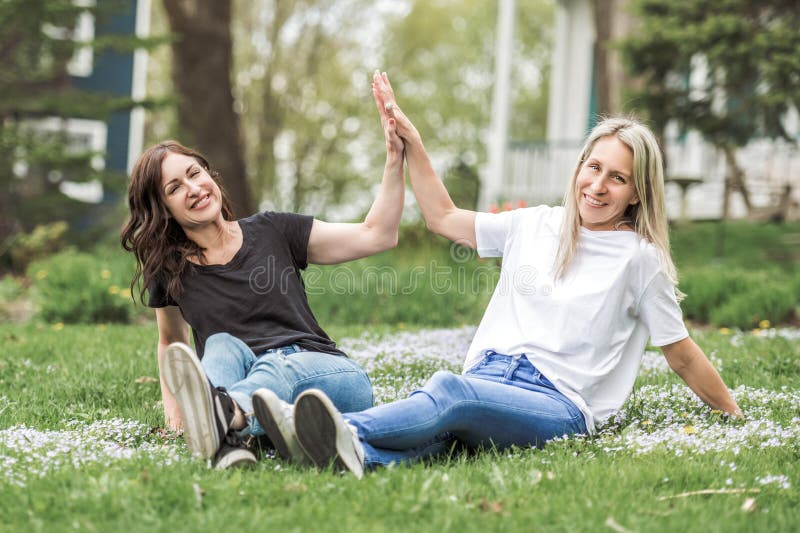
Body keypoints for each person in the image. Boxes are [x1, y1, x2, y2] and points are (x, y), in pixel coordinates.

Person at [267, 72, 743, 478]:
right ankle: (347, 454)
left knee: (450, 394)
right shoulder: (534, 223)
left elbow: (680, 353)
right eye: (593, 167)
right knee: (442, 438)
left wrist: (735, 416)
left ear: (637, 192)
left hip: (556, 405)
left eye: (617, 178)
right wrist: (411, 144)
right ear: (579, 168)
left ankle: (336, 429)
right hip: (490, 375)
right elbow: (443, 217)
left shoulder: (640, 259)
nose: (598, 186)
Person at [120, 71, 406, 468]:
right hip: (246, 386)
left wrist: (394, 157)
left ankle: (224, 420)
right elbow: (173, 344)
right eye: (174, 188)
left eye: (194, 173)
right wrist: (175, 417)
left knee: (274, 364)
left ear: (210, 175)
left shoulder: (274, 230)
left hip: (327, 378)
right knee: (218, 345)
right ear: (163, 209)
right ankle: (230, 443)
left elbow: (377, 234)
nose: (193, 188)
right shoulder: (169, 271)